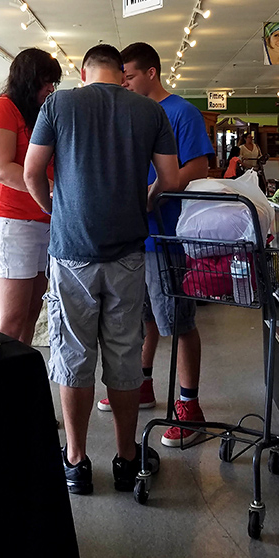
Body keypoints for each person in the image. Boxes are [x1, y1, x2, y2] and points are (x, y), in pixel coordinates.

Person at [23, 44, 179, 495]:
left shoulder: (59, 104)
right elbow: (169, 180)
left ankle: (75, 462)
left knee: (73, 354)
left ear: (82, 71)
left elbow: (32, 172)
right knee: (125, 354)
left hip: (72, 251)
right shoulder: (149, 111)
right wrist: (145, 201)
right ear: (122, 74)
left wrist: (55, 210)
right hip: (128, 253)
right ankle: (127, 459)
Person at [96, 42, 214, 448]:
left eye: (128, 75)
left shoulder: (182, 112)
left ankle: (190, 408)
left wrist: (156, 190)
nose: (123, 83)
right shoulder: (131, 113)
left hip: (167, 235)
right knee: (142, 317)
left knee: (178, 322)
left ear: (151, 73)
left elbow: (198, 166)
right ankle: (142, 384)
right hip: (133, 234)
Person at [0, 48, 61, 345]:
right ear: (29, 79)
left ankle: (20, 369)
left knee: (31, 313)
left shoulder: (38, 113)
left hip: (44, 220)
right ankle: (2, 374)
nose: (50, 88)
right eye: (45, 81)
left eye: (53, 82)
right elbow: (0, 169)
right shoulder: (2, 108)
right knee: (12, 318)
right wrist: (51, 187)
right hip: (15, 222)